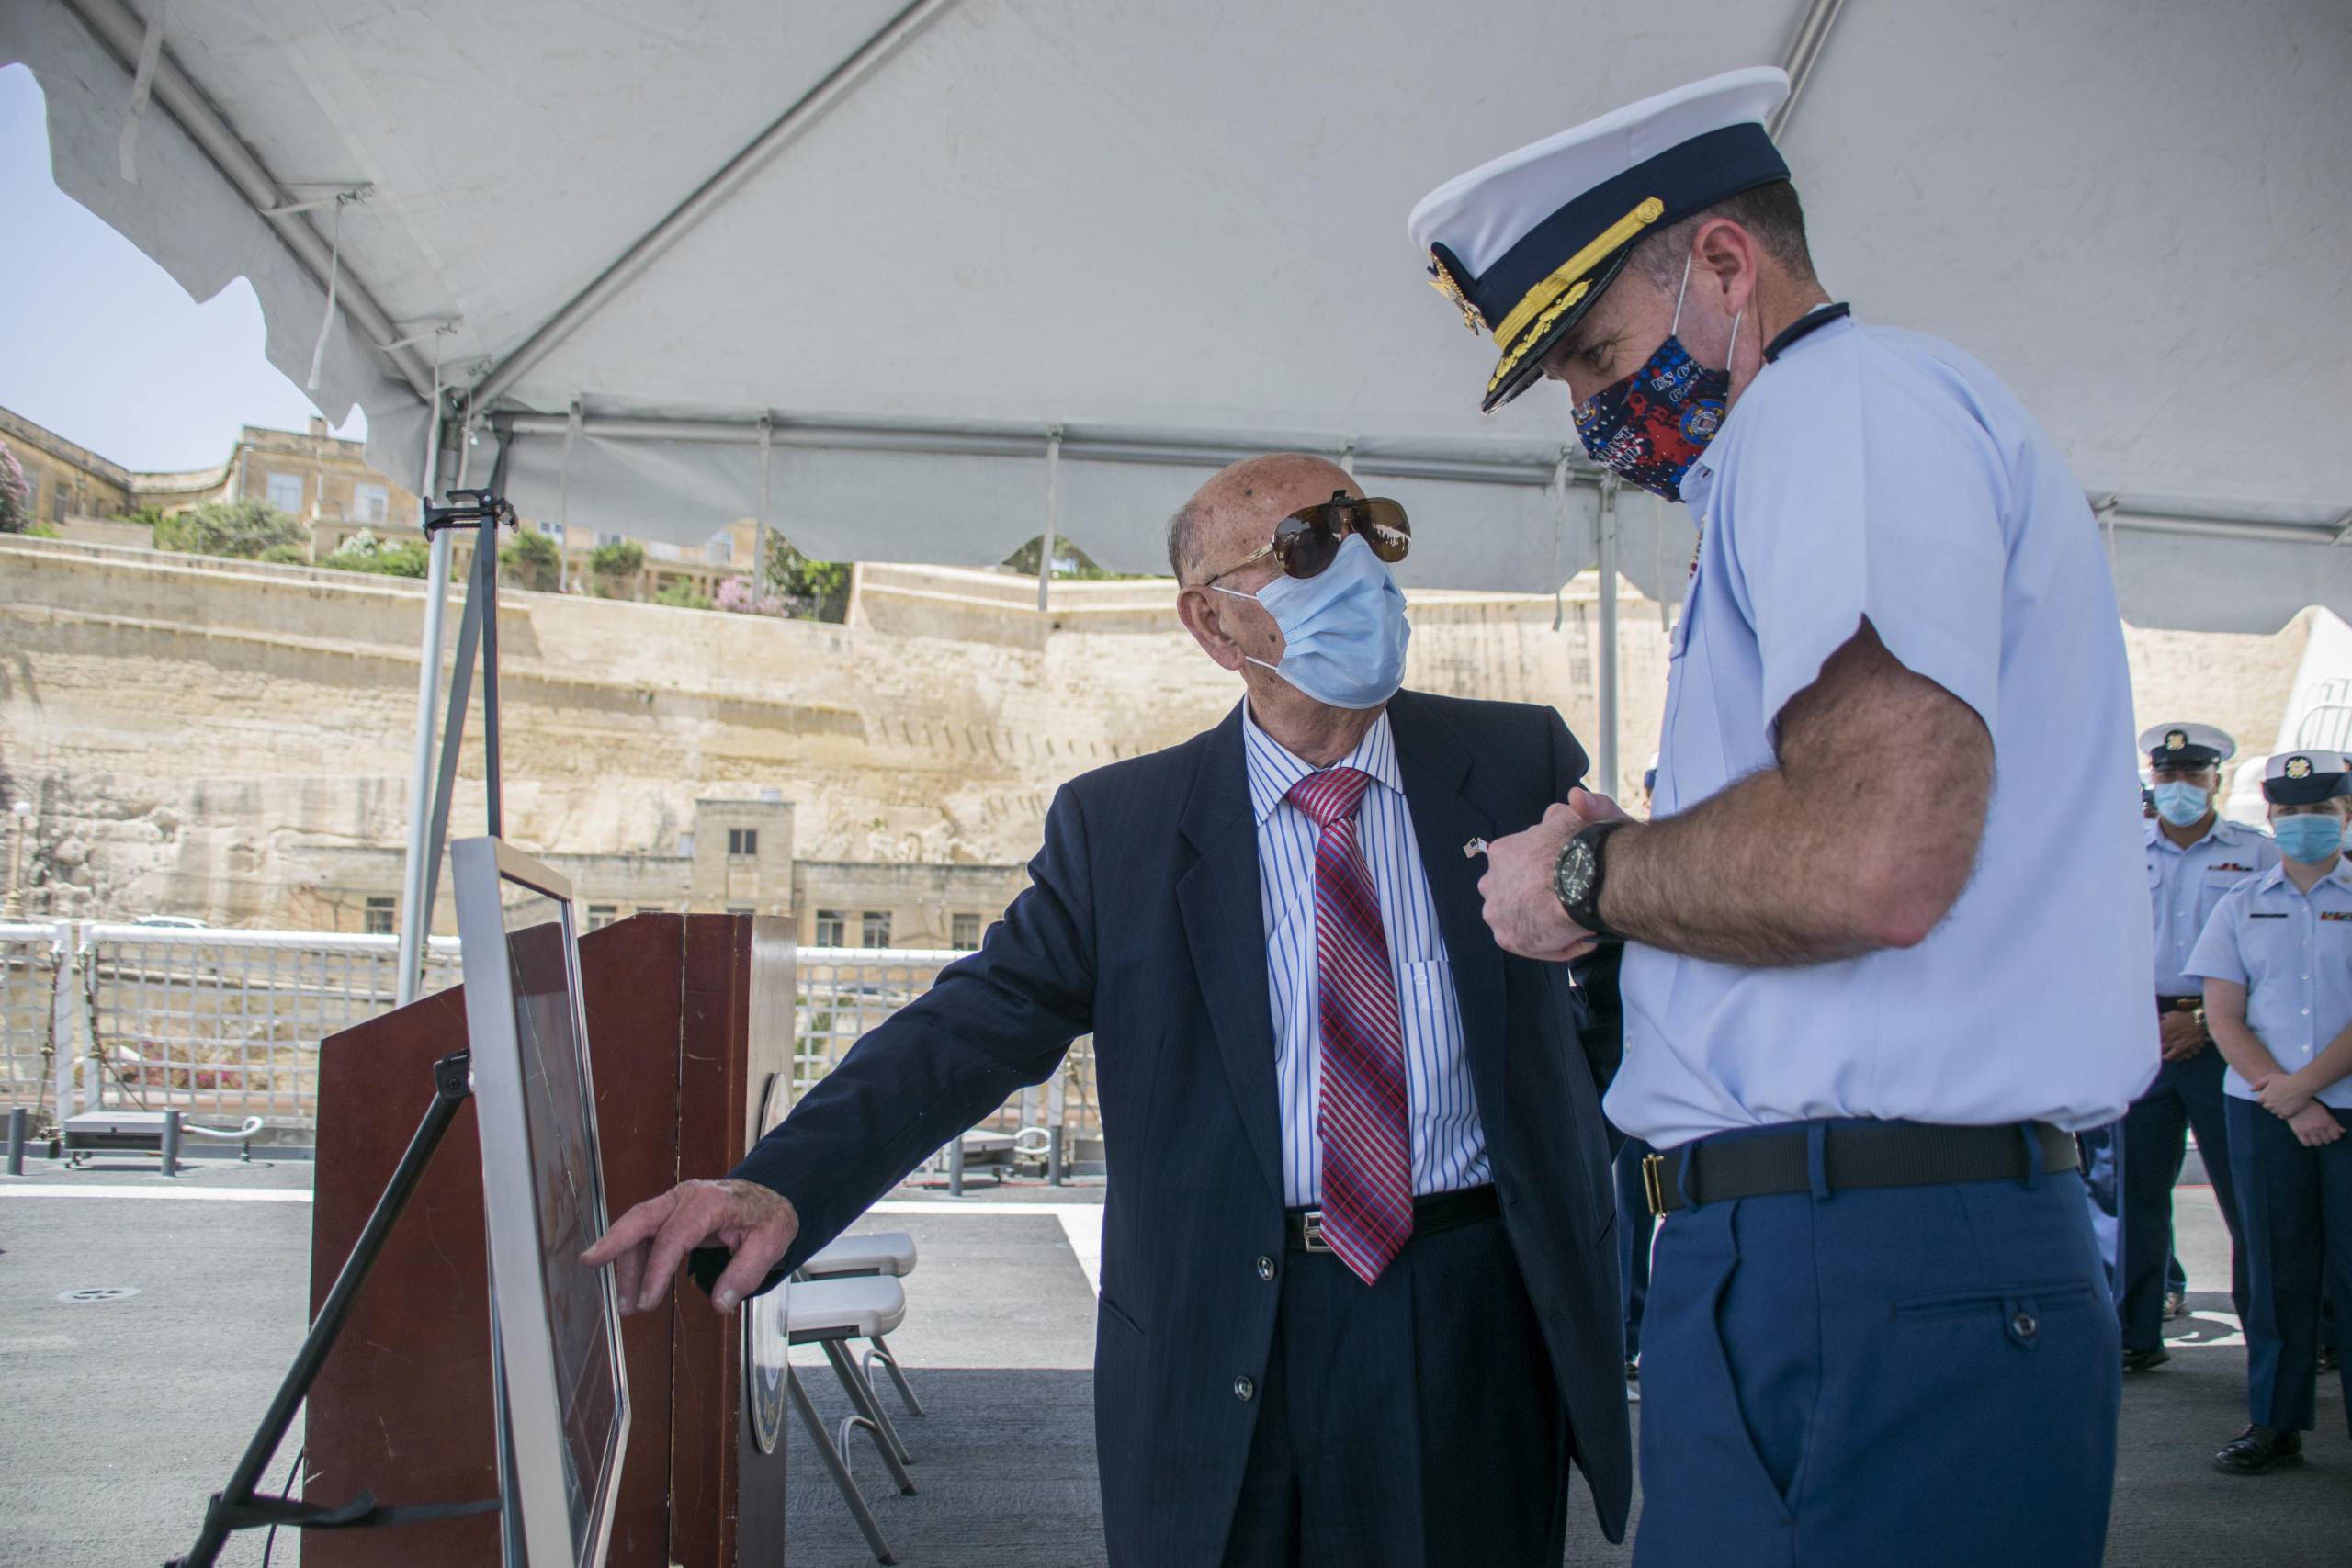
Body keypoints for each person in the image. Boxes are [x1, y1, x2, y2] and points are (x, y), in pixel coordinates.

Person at [582, 454, 1634, 1565]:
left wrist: (1605, 1005)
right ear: (1213, 622)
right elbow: (972, 1028)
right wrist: (781, 1183)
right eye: (1310, 548)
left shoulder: (1519, 761)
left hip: (1465, 1320)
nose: (1361, 571)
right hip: (1221, 1330)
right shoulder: (1122, 828)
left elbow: (1619, 1001)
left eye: (1372, 535)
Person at [1408, 66, 2153, 1563]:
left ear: (1726, 265)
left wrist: (1597, 875)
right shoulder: (1817, 443)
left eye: (1595, 353)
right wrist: (1663, 873)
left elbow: (1876, 855)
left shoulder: (1839, 411)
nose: (1592, 412)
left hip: (1871, 1251)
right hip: (1825, 1242)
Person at [2185, 749, 2352, 1475]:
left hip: (2339, 1108)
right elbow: (2223, 1016)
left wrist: (2306, 1087)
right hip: (2263, 1110)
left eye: (2320, 811)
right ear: (2272, 817)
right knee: (2276, 1266)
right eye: (2290, 813)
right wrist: (2283, 1095)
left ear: (2346, 816)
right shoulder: (2240, 901)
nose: (2304, 824)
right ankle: (2274, 1423)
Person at [2120, 722, 2277, 1371]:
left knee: (2249, 1195)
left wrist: (2205, 1022)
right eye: (2168, 774)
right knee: (2135, 1194)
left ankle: (2276, 1330)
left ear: (2218, 779)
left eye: (2193, 774)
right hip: (2140, 1031)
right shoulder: (2122, 847)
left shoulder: (2258, 853)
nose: (2179, 786)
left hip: (2228, 1035)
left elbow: (2274, 957)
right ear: (2153, 779)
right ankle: (2135, 1335)